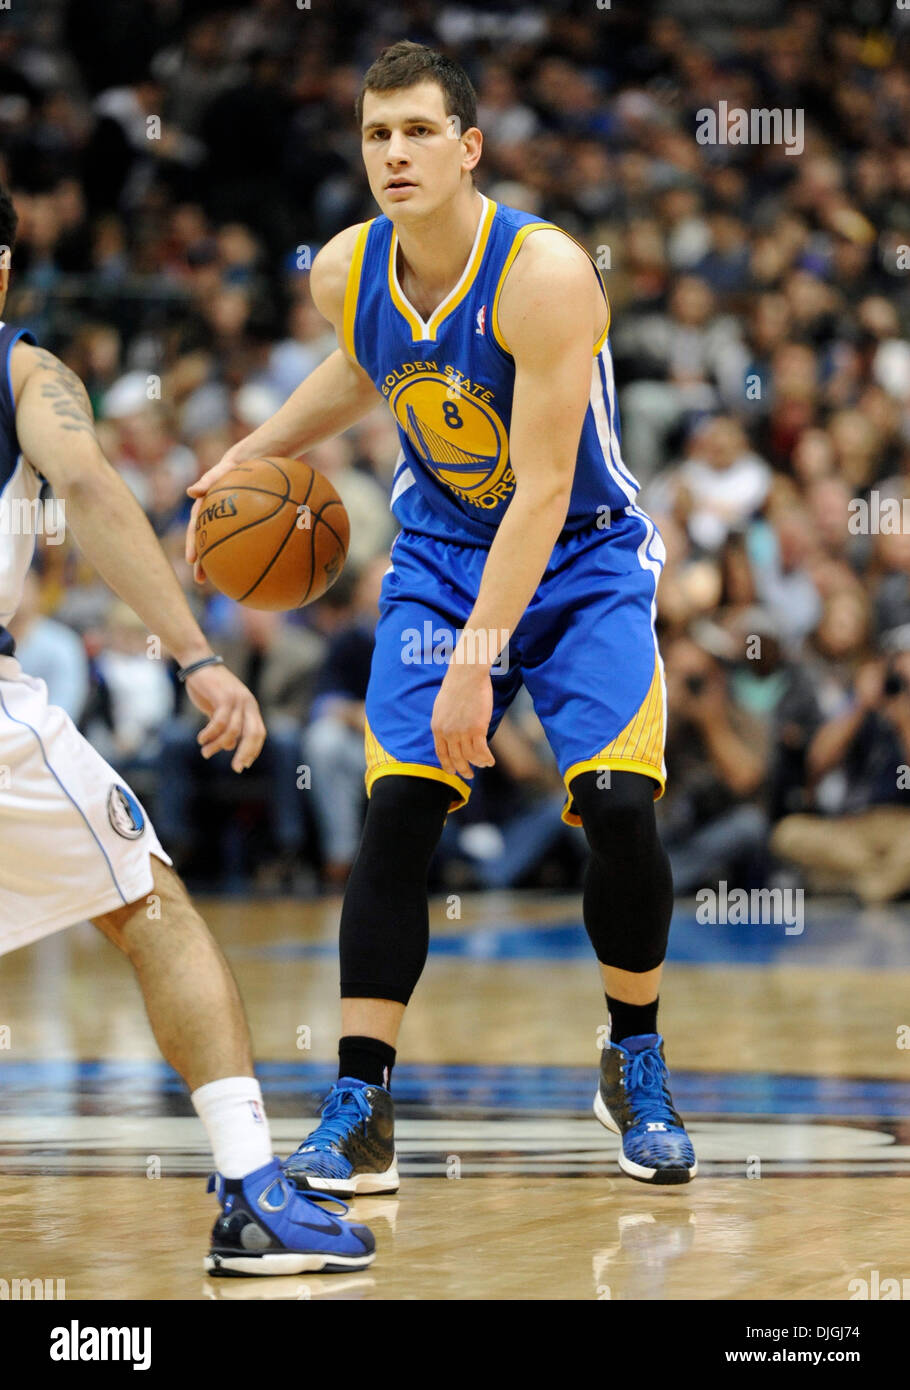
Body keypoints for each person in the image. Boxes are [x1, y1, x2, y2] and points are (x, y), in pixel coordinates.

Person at [187, 42, 697, 1188]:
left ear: (470, 148)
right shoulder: (346, 270)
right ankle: (362, 1099)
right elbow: (364, 366)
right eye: (376, 134)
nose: (395, 153)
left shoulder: (546, 275)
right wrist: (254, 449)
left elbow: (549, 486)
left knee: (619, 810)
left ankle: (635, 1055)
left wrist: (478, 659)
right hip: (440, 554)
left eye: (418, 131)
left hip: (583, 556)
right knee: (399, 814)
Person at [0, 183, 375, 1275]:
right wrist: (200, 656)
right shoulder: (27, 371)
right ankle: (255, 1192)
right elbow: (92, 486)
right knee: (150, 906)